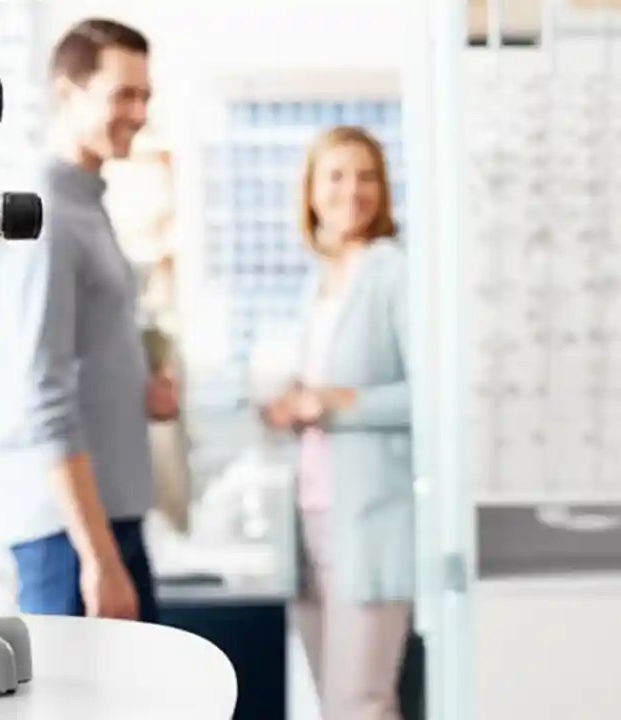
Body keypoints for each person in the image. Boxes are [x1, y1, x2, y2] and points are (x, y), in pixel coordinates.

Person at [0, 18, 177, 622]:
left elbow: (80, 356)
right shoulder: (47, 218)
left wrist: (137, 386)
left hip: (105, 519)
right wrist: (99, 559)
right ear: (67, 92)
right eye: (123, 95)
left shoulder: (86, 204)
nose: (139, 113)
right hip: (69, 535)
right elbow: (44, 393)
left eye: (145, 96)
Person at [261, 126, 413, 720]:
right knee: (333, 703)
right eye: (337, 176)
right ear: (310, 190)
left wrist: (339, 403)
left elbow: (432, 399)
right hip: (311, 515)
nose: (353, 191)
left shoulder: (393, 270)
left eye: (367, 176)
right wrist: (288, 405)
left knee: (361, 703)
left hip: (372, 523)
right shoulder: (319, 280)